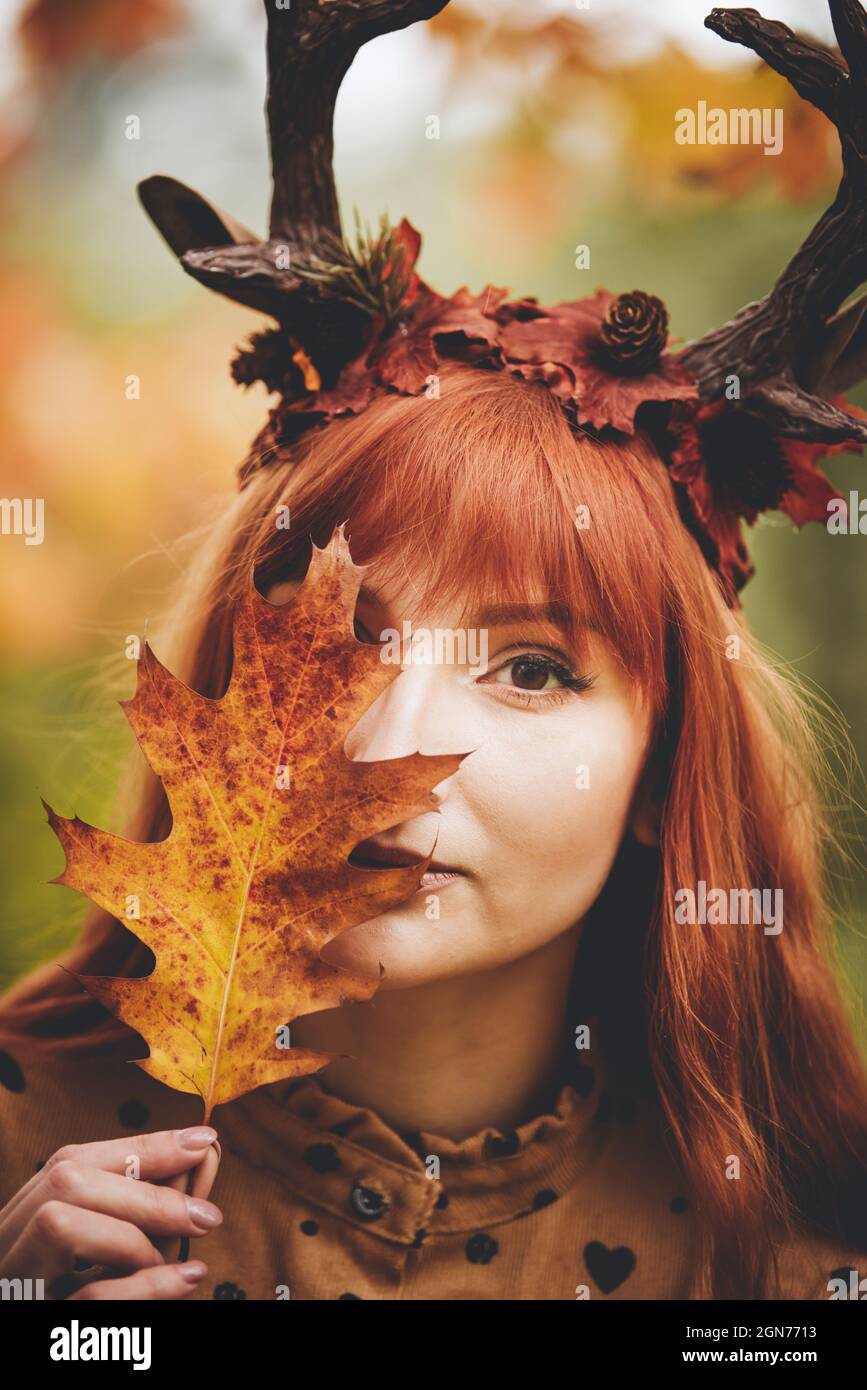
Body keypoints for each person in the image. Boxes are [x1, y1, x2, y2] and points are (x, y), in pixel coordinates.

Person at [0, 360, 865, 1301]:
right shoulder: (27, 1173)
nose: (388, 751)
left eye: (530, 671)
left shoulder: (779, 1273)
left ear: (664, 771)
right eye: (339, 637)